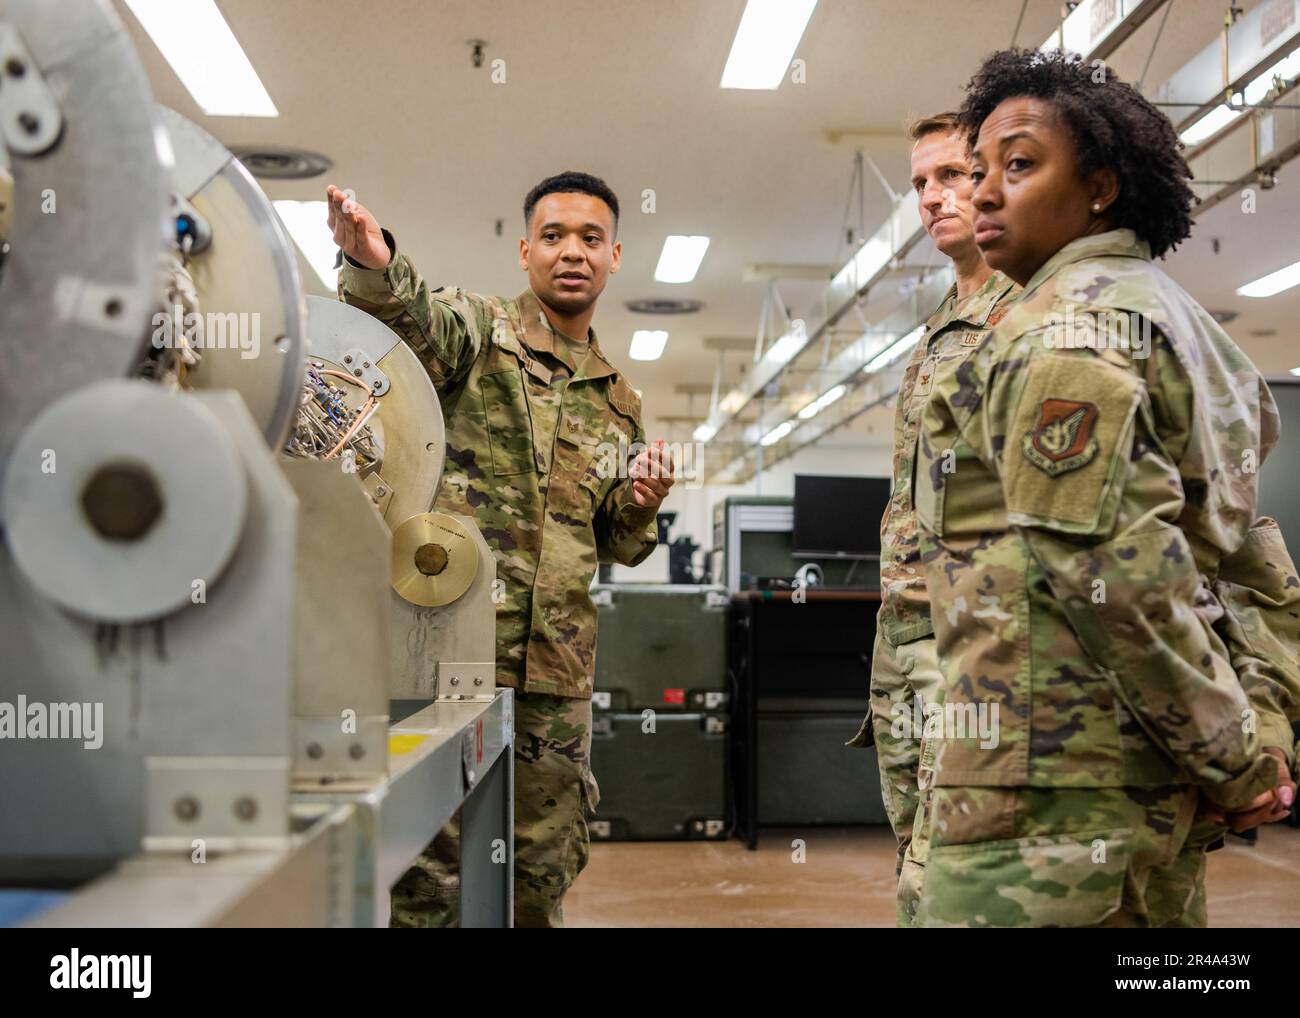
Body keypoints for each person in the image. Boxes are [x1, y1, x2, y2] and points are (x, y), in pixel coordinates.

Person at [912, 48, 1296, 928]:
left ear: (1101, 188)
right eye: (977, 171)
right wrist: (1257, 737)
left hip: (1047, 804)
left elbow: (1120, 580)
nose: (981, 193)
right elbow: (1247, 560)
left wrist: (1236, 758)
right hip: (1137, 790)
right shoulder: (1174, 317)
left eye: (1017, 165)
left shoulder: (1065, 338)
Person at [327, 171, 675, 927]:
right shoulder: (480, 334)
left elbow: (614, 539)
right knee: (427, 875)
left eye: (590, 238)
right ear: (525, 251)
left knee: (538, 875)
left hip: (557, 675)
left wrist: (641, 503)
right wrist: (375, 264)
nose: (571, 252)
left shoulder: (621, 405)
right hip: (449, 655)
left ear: (615, 255)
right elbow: (412, 320)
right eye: (553, 236)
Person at [847, 112, 1018, 927]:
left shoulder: (1029, 314)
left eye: (951, 175)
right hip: (906, 633)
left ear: (993, 177)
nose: (933, 197)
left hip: (973, 642)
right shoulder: (937, 327)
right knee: (912, 847)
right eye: (920, 183)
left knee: (950, 871)